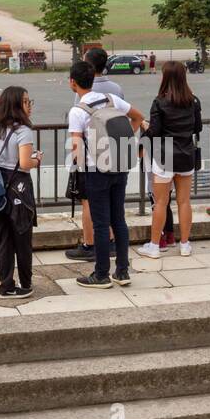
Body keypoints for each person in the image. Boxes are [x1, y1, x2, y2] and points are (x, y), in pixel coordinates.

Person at [67, 60, 144, 288]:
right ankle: (122, 271)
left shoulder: (78, 111)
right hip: (119, 166)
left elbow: (75, 146)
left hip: (96, 170)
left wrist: (79, 168)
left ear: (73, 83)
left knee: (101, 224)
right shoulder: (113, 100)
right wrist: (121, 144)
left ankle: (101, 274)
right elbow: (138, 117)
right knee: (118, 219)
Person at [65, 47, 125, 262]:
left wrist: (78, 165)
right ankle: (119, 261)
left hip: (93, 159)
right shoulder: (115, 90)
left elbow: (77, 136)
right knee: (117, 215)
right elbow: (127, 118)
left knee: (90, 204)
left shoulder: (81, 102)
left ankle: (92, 247)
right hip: (116, 154)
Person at [137, 61, 201, 259]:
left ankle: (155, 246)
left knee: (161, 203)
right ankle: (185, 244)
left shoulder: (160, 101)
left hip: (165, 156)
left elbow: (155, 131)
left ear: (165, 77)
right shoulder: (194, 101)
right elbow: (197, 128)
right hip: (186, 154)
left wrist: (144, 129)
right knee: (184, 202)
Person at [0, 86, 41, 298]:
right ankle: (26, 283)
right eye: (26, 102)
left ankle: (6, 285)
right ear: (16, 105)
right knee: (23, 238)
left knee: (3, 239)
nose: (29, 106)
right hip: (19, 188)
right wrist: (38, 159)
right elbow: (25, 163)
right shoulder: (23, 131)